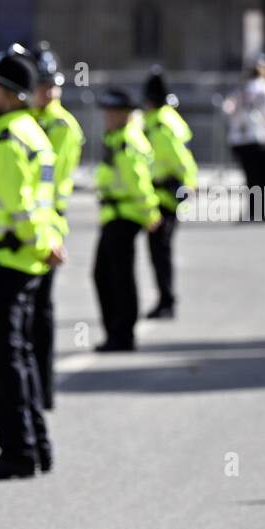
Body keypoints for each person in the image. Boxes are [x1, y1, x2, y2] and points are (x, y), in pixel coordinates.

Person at [0, 47, 64, 480]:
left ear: (12, 95)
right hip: (23, 261)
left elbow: (20, 205)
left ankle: (18, 452)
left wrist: (32, 240)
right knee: (19, 358)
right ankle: (37, 446)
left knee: (2, 363)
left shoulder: (7, 139)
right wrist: (44, 245)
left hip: (3, 261)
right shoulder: (32, 132)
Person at [26, 41, 82, 412]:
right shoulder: (22, 120)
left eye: (54, 85)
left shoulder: (60, 126)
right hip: (25, 223)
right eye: (44, 84)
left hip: (46, 221)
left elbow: (47, 187)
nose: (51, 91)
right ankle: (32, 390)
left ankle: (42, 391)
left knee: (40, 310)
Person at [93, 88, 160, 352]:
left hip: (125, 215)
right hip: (115, 214)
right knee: (108, 275)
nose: (107, 116)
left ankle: (122, 333)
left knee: (117, 277)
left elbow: (138, 182)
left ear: (125, 115)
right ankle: (117, 331)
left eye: (113, 112)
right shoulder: (117, 137)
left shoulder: (126, 141)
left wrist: (149, 212)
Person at [141, 68, 198, 319]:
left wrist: (186, 187)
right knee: (160, 252)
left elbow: (181, 161)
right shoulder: (166, 120)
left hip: (165, 196)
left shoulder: (160, 126)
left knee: (160, 253)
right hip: (166, 195)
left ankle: (167, 300)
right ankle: (166, 299)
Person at [222, 56, 265, 224]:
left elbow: (227, 109)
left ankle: (255, 211)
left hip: (245, 139)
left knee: (252, 178)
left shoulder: (242, 90)